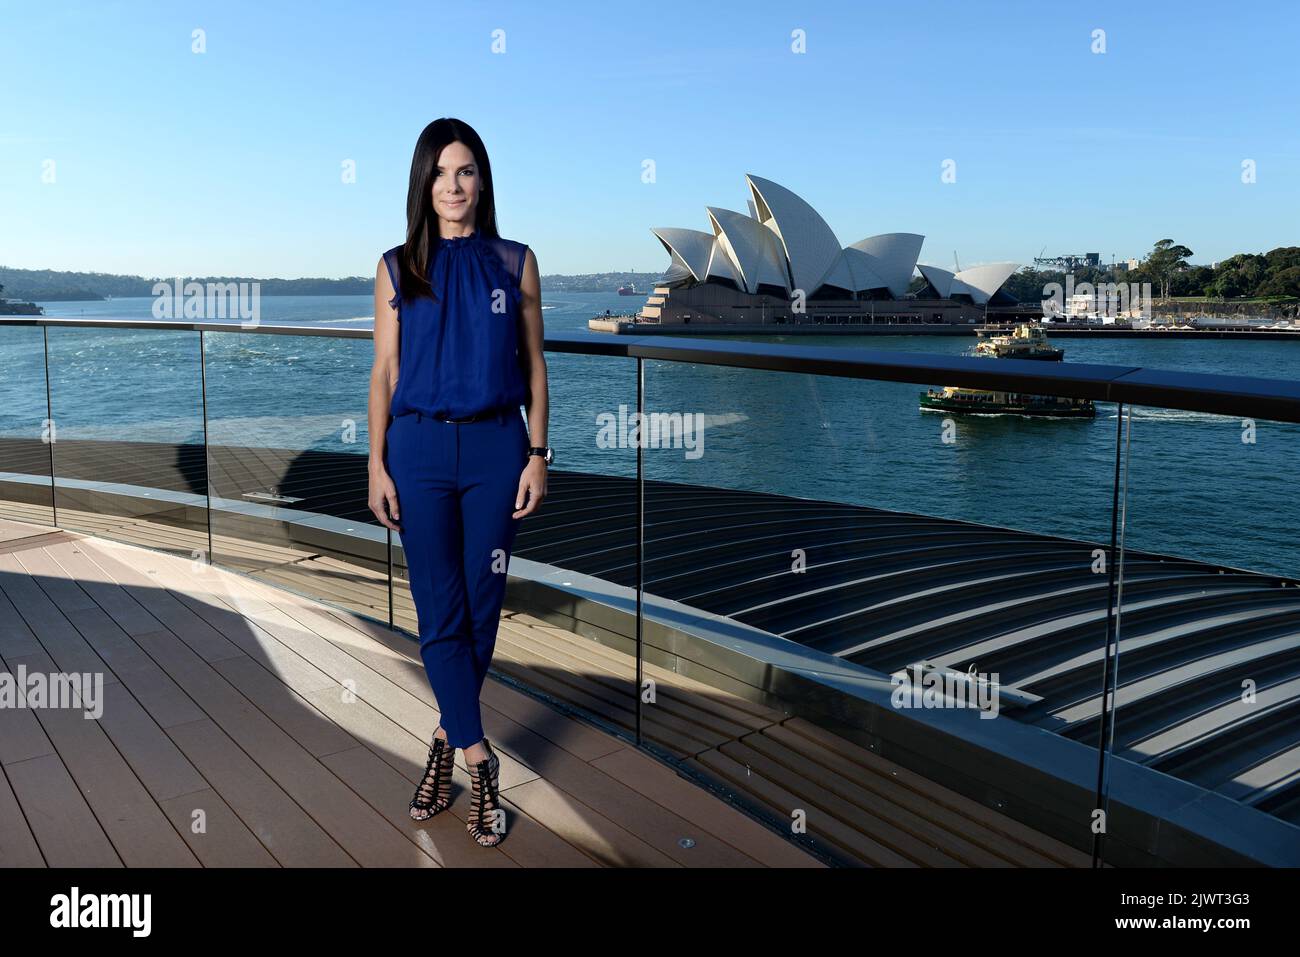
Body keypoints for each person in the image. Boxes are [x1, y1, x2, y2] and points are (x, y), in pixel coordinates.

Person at [367, 118, 551, 847]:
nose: (454, 185)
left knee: (481, 608)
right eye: (441, 173)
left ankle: (446, 742)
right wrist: (376, 461)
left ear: (483, 181)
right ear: (423, 183)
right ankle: (480, 757)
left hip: (496, 451)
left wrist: (538, 452)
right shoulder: (394, 266)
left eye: (467, 170)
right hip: (414, 453)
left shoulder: (516, 261)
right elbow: (384, 371)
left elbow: (536, 366)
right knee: (437, 610)